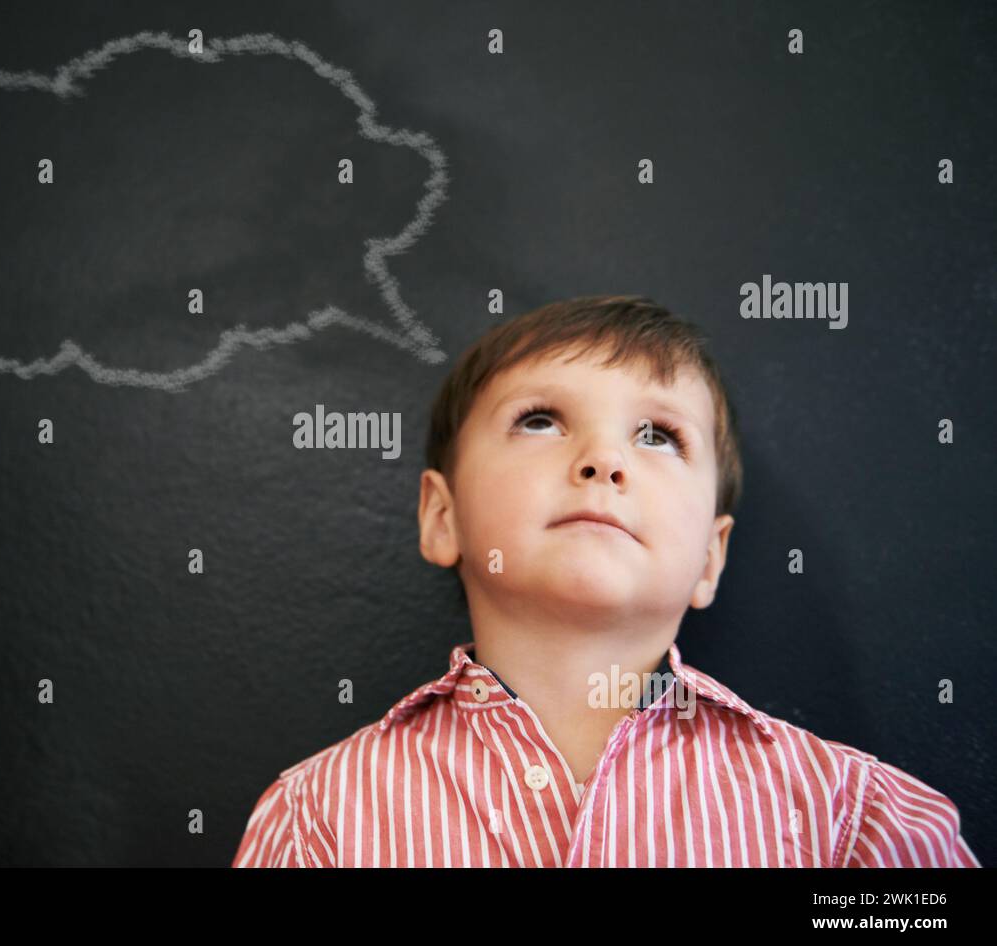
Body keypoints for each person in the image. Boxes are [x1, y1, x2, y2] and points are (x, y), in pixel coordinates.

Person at [232, 295, 979, 867]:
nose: (603, 460)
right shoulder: (318, 821)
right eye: (540, 420)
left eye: (658, 435)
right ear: (442, 516)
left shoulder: (856, 825)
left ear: (711, 559)